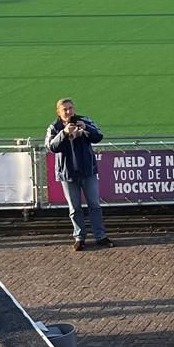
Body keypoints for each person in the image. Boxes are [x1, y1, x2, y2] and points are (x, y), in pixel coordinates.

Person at [45, 97, 111, 251]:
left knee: (94, 205)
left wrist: (86, 128)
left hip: (88, 171)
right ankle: (79, 237)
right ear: (59, 112)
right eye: (65, 110)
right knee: (74, 208)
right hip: (67, 174)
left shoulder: (84, 120)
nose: (69, 112)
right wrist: (63, 133)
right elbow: (50, 147)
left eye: (70, 108)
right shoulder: (54, 127)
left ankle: (100, 236)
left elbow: (98, 136)